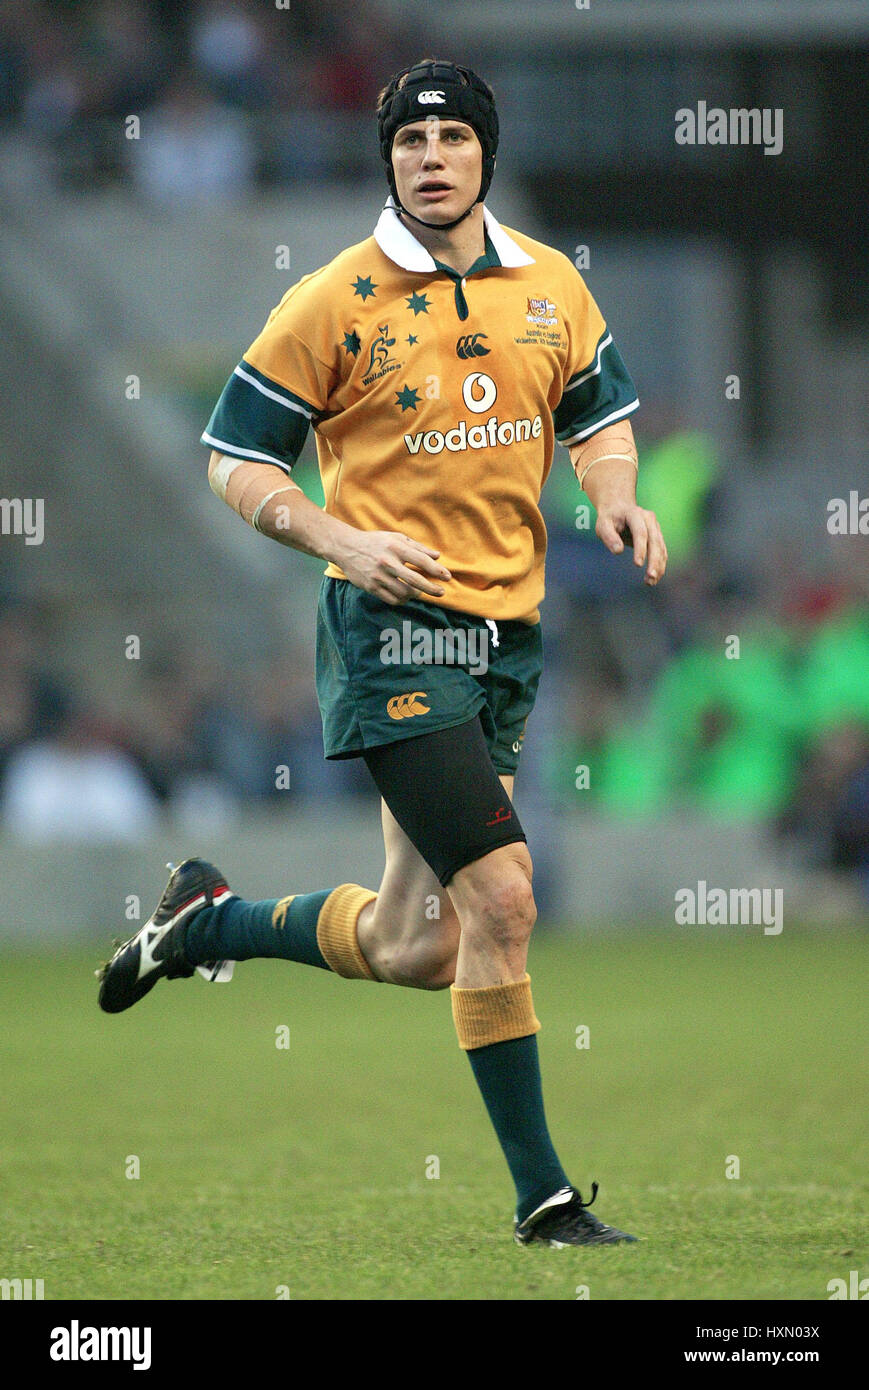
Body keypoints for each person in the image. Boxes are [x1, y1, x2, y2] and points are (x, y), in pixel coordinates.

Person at [98, 59, 667, 1247]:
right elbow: (234, 457)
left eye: (453, 136)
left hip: (504, 633)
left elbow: (596, 416)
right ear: (387, 160)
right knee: (505, 898)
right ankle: (544, 1199)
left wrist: (615, 492)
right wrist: (338, 537)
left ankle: (203, 921)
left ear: (483, 155)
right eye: (409, 141)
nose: (429, 156)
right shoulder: (330, 301)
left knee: (422, 942)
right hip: (393, 633)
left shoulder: (550, 283)